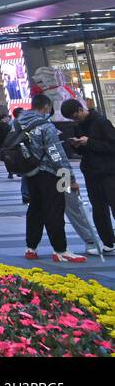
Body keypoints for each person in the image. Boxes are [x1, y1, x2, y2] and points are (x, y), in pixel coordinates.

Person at [16, 93, 86, 263]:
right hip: (51, 174)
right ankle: (60, 250)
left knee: (35, 209)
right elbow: (57, 155)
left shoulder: (17, 124)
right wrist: (70, 178)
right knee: (55, 209)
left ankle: (31, 248)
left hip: (29, 174)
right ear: (46, 107)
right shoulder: (46, 126)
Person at [62, 98, 115, 255]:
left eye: (75, 116)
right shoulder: (78, 126)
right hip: (91, 172)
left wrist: (90, 142)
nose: (74, 120)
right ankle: (108, 242)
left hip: (109, 171)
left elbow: (112, 145)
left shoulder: (101, 121)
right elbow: (83, 151)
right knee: (98, 209)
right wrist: (77, 145)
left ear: (80, 109)